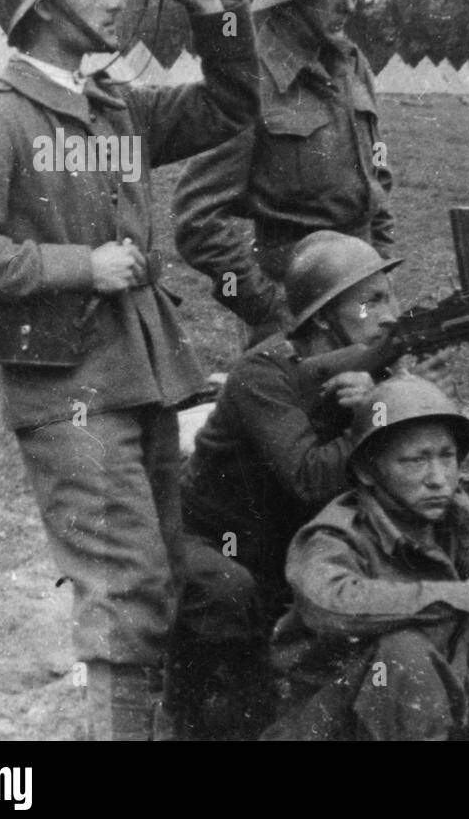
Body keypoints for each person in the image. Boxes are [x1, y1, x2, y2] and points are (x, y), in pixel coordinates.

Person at [0, 0, 258, 740]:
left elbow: (231, 105)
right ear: (45, 6)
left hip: (141, 373)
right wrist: (82, 265)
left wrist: (207, 6)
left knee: (163, 581)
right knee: (124, 593)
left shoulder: (116, 109)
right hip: (65, 385)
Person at [168, 230, 403, 737]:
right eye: (372, 301)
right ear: (322, 316)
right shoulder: (263, 373)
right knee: (229, 595)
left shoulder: (376, 369)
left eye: (391, 295)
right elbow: (310, 476)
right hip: (203, 540)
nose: (391, 313)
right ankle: (188, 714)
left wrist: (390, 396)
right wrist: (374, 418)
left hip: (282, 546)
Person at [263, 376, 469, 741]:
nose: (439, 479)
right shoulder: (334, 536)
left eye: (447, 456)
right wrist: (465, 596)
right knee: (402, 653)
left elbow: (466, 522)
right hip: (329, 726)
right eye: (415, 461)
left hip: (411, 720)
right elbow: (330, 605)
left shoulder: (443, 513)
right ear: (366, 471)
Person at [173, 0, 394, 344]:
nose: (349, 5)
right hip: (295, 313)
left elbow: (378, 180)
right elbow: (196, 220)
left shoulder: (351, 64)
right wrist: (272, 312)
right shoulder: (247, 81)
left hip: (364, 295)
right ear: (292, 1)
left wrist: (382, 273)